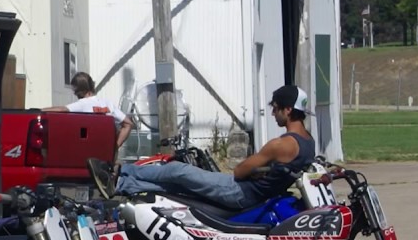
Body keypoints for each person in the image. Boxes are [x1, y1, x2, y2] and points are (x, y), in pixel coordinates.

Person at [90, 85, 316, 210]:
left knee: (177, 170)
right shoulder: (308, 142)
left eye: (275, 108)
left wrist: (256, 170)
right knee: (175, 187)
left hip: (240, 191)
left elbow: (240, 171)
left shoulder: (281, 144)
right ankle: (122, 184)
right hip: (256, 194)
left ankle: (120, 170)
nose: (273, 113)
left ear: (287, 110)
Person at [44, 71, 133, 151]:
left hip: (89, 152)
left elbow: (62, 109)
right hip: (107, 154)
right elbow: (128, 124)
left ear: (78, 90)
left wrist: (37, 110)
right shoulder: (108, 104)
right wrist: (115, 147)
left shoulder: (82, 104)